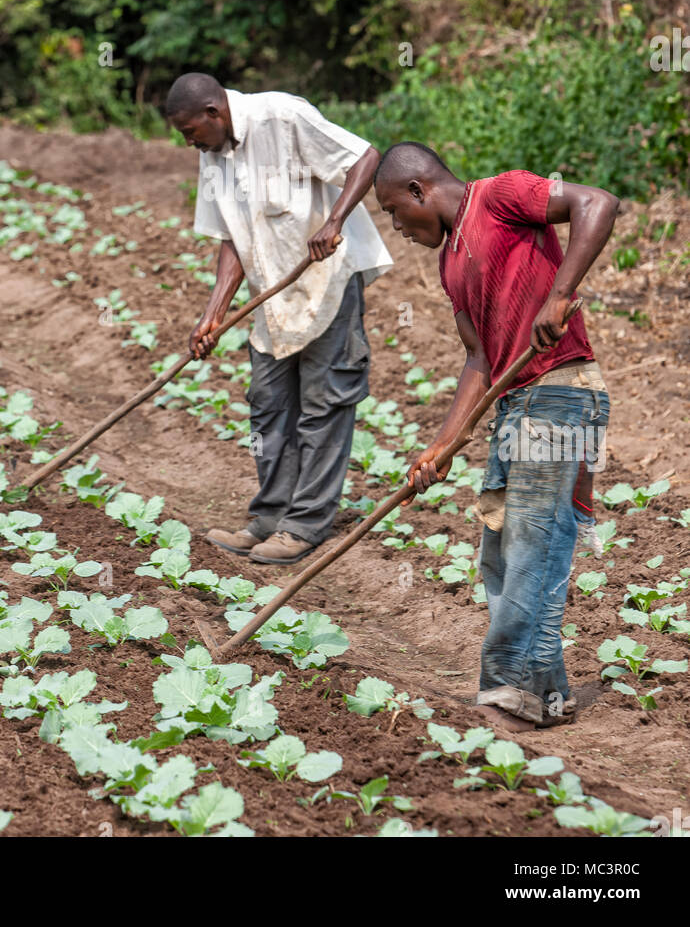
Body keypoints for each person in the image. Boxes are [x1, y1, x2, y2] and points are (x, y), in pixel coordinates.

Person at [374, 142, 619, 728]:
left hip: (562, 395)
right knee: (503, 556)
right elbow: (479, 358)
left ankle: (508, 692)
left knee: (535, 548)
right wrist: (442, 444)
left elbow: (598, 203)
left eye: (391, 212)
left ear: (419, 190)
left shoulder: (501, 196)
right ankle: (546, 695)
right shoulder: (449, 263)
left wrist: (559, 294)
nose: (396, 228)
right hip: (515, 404)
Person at [166, 73, 392, 564]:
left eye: (190, 131)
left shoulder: (283, 116)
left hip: (328, 281)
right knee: (268, 407)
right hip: (270, 295)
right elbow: (232, 238)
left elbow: (365, 157)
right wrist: (213, 315)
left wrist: (333, 221)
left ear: (213, 113)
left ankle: (304, 525)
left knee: (323, 405)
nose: (189, 143)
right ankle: (269, 517)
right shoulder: (213, 157)